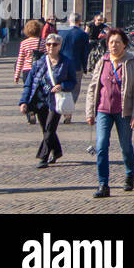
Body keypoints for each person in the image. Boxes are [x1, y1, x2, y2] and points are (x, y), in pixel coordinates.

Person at [85, 28, 134, 197]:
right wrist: (90, 111)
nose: (114, 45)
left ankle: (129, 174)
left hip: (124, 111)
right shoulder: (102, 62)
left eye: (118, 42)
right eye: (111, 42)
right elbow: (93, 87)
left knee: (125, 146)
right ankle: (103, 184)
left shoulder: (132, 62)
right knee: (101, 146)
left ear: (124, 44)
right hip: (103, 109)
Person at [18, 33, 77, 168]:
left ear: (60, 46)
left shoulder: (66, 62)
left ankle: (43, 157)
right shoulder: (39, 63)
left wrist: (63, 86)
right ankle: (56, 152)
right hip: (40, 99)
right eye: (49, 44)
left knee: (50, 127)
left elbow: (73, 82)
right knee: (45, 128)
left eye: (54, 44)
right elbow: (29, 83)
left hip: (56, 100)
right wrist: (23, 101)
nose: (51, 47)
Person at [57, 12, 90, 123]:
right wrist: (85, 67)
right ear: (79, 22)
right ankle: (68, 112)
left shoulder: (61, 33)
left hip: (63, 65)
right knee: (75, 90)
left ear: (69, 21)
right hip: (76, 65)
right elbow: (85, 53)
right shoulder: (83, 35)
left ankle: (61, 107)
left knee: (62, 87)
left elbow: (58, 51)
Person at [14, 18, 44, 84]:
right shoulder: (43, 42)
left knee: (28, 89)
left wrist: (17, 75)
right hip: (40, 69)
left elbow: (20, 60)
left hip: (27, 70)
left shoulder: (24, 43)